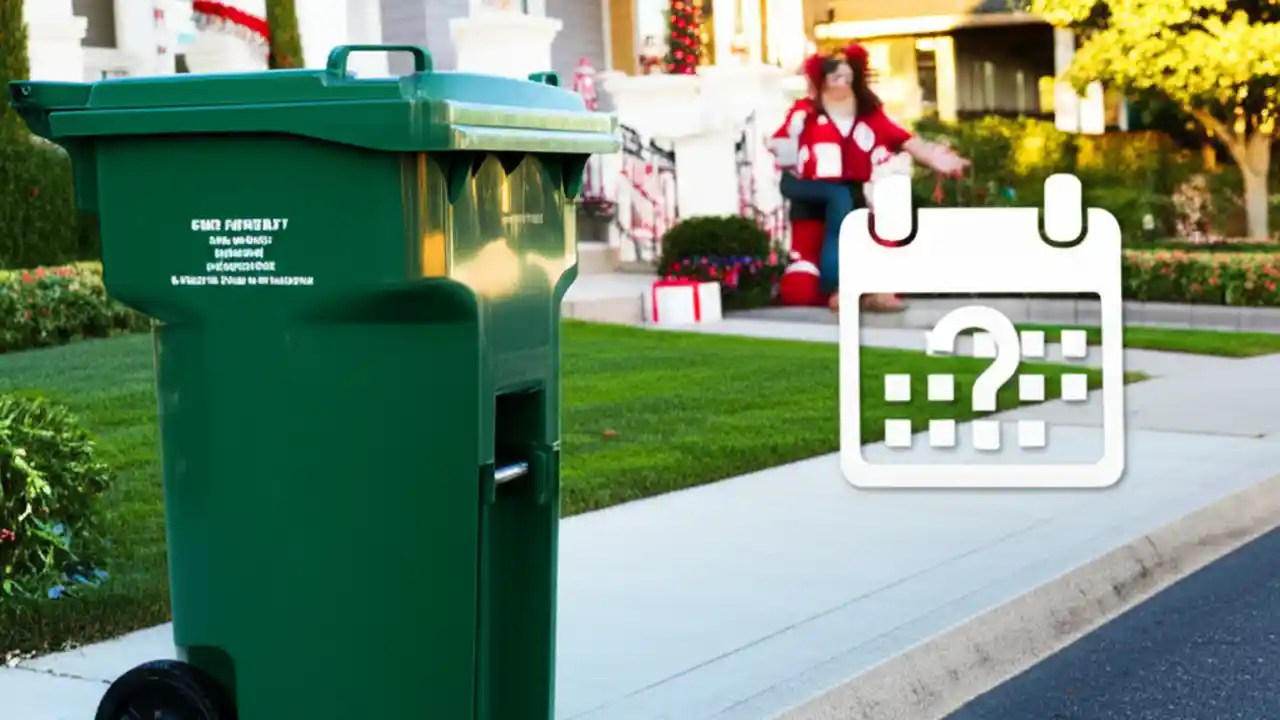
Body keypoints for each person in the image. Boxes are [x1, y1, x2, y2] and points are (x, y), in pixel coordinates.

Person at [769, 44, 970, 312]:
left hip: (852, 198)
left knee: (862, 219)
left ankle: (861, 289)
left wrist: (936, 157)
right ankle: (837, 287)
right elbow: (782, 144)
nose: (843, 84)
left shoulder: (870, 117)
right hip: (813, 198)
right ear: (822, 82)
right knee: (800, 287)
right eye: (836, 78)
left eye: (848, 78)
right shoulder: (805, 113)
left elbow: (906, 140)